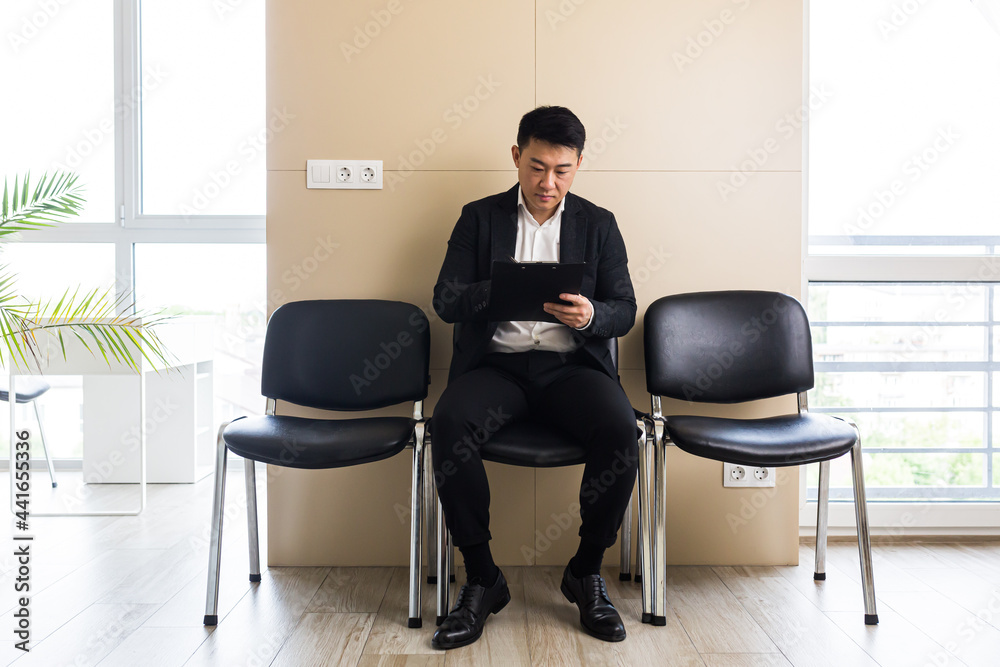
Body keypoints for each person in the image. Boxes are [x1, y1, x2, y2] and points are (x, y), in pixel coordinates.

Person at [430, 106, 639, 649]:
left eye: (562, 170)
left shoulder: (599, 223)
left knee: (621, 429)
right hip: (497, 369)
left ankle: (585, 571)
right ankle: (482, 578)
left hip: (571, 369)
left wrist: (591, 315)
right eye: (538, 167)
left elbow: (625, 308)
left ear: (578, 165)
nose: (548, 183)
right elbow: (445, 300)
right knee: (448, 423)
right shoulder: (479, 218)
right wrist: (496, 293)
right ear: (517, 156)